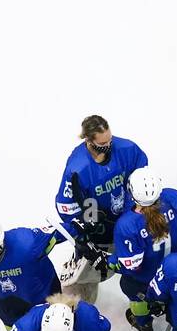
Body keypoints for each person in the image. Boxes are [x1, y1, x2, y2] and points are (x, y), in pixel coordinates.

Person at [54, 115, 150, 299]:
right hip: (97, 230)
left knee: (140, 263)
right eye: (103, 144)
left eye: (110, 140)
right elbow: (65, 206)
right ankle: (81, 315)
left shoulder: (128, 150)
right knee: (85, 280)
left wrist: (131, 211)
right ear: (88, 141)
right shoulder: (77, 167)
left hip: (127, 221)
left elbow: (141, 179)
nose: (108, 147)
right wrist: (84, 230)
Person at [108, 167, 177, 331]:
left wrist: (111, 261)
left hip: (148, 280)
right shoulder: (173, 197)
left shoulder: (127, 225)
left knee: (127, 284)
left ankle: (143, 323)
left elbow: (131, 267)